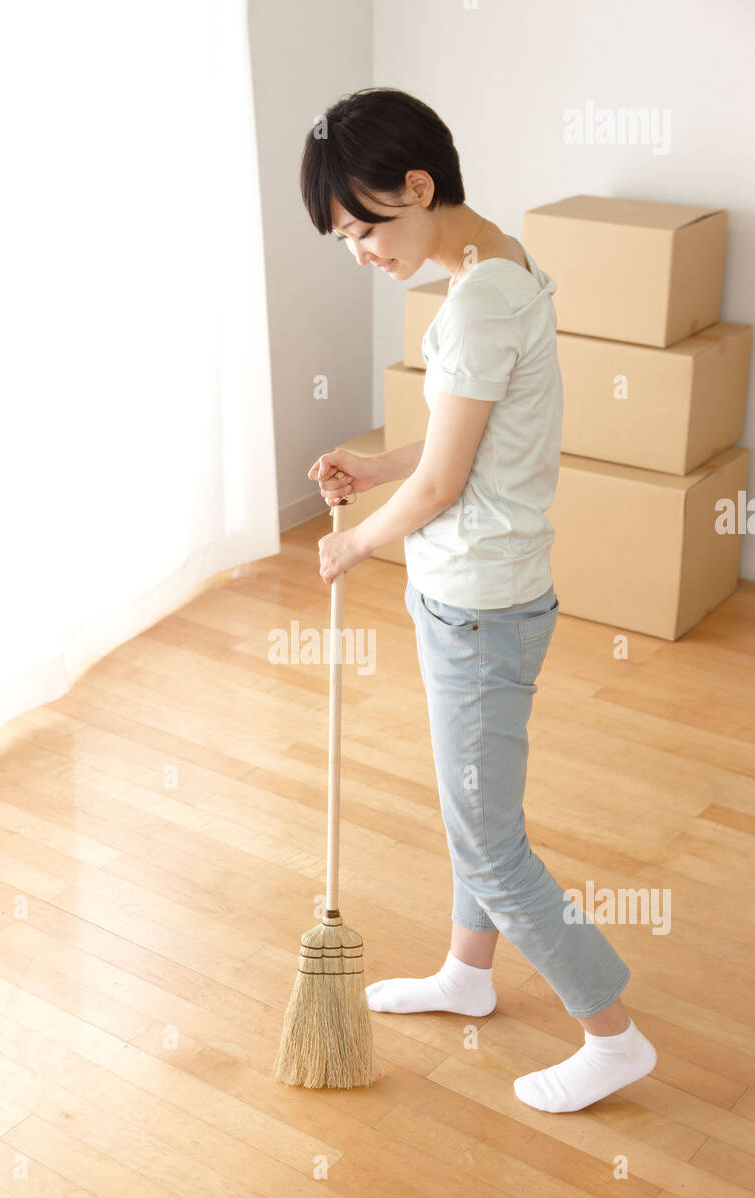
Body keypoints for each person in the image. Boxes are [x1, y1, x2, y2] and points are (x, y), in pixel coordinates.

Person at [300, 87, 657, 1113]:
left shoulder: (474, 305)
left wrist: (356, 542)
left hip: (477, 607)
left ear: (417, 186)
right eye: (342, 239)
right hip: (483, 593)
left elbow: (444, 487)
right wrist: (379, 468)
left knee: (489, 840)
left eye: (364, 228)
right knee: (475, 815)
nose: (361, 254)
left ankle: (612, 1036)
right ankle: (467, 972)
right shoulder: (497, 264)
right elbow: (467, 438)